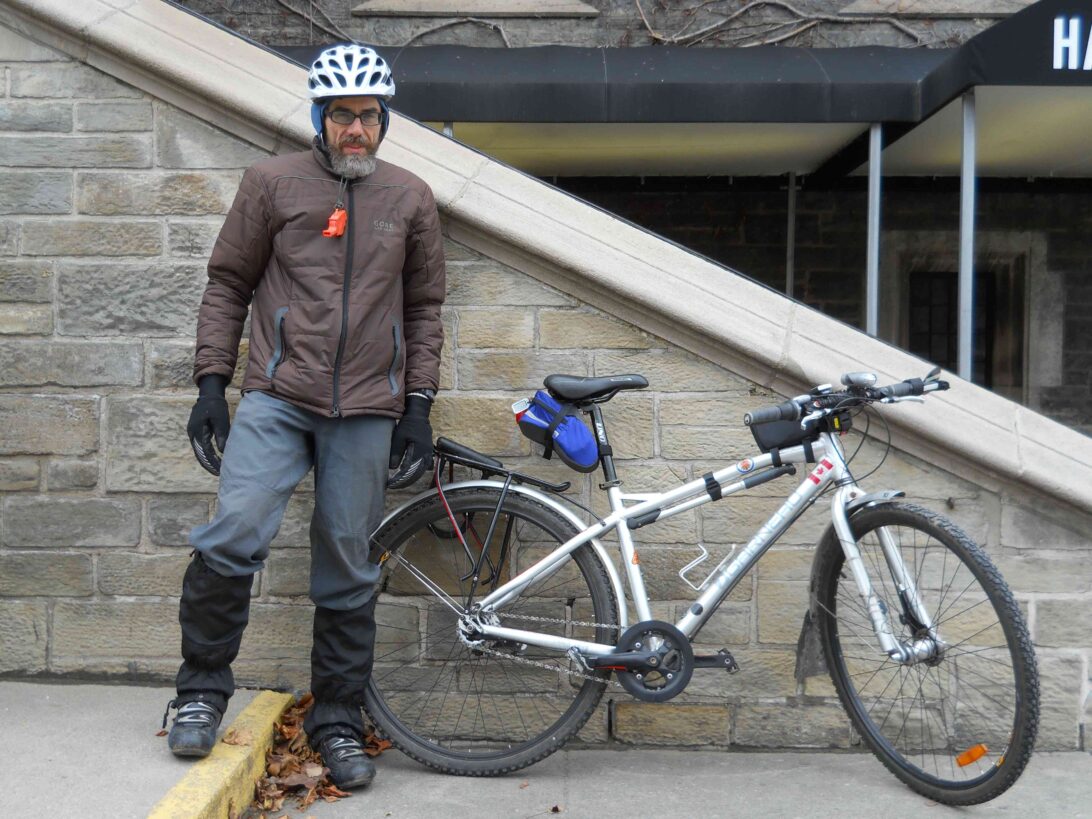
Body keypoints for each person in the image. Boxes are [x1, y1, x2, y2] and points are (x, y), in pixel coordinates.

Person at [161, 43, 446, 790]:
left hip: (367, 408)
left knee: (349, 564)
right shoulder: (271, 183)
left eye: (369, 116)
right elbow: (227, 284)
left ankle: (339, 721)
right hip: (278, 397)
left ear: (384, 121)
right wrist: (211, 384)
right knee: (232, 532)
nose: (356, 129)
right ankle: (198, 691)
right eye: (342, 115)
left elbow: (424, 308)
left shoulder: (410, 197)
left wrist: (417, 403)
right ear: (320, 119)